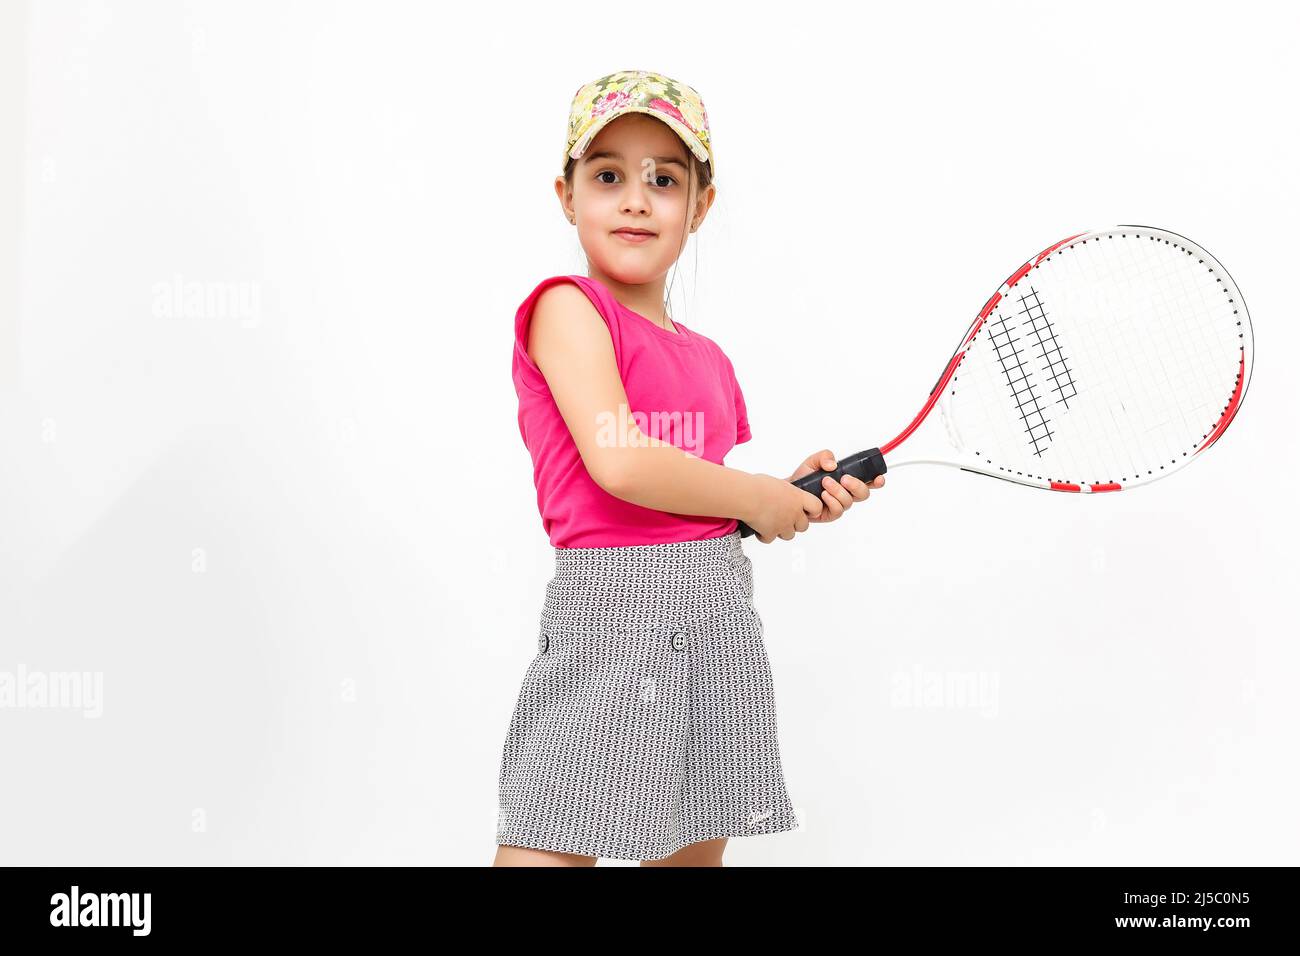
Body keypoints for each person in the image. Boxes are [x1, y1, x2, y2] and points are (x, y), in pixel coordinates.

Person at [493, 69, 886, 867]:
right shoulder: (569, 308)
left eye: (663, 180)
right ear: (566, 196)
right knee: (551, 841)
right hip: (611, 622)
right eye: (607, 176)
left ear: (699, 207)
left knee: (689, 851)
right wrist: (756, 495)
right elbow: (624, 462)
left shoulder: (707, 358)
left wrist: (785, 496)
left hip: (715, 615)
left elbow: (696, 498)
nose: (636, 200)